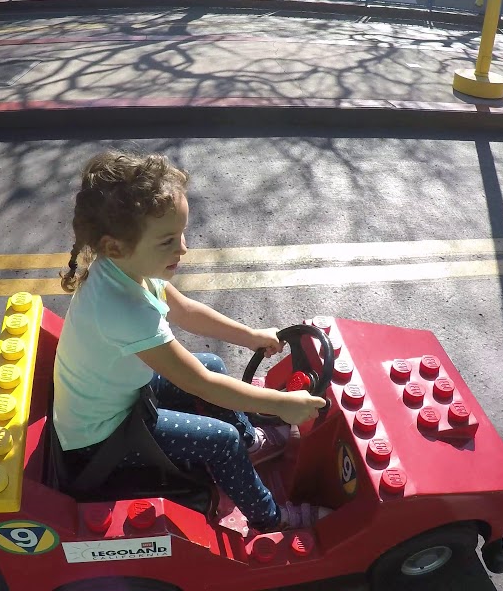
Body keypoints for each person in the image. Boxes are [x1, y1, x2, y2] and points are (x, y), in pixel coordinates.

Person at [52, 151, 330, 532]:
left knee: (214, 364)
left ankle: (252, 442)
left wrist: (250, 336)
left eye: (181, 234)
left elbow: (186, 311)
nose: (182, 248)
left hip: (118, 398)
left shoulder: (125, 270)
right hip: (101, 437)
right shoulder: (125, 310)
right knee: (221, 439)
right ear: (115, 245)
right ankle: (270, 517)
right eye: (167, 240)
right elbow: (200, 385)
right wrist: (283, 404)